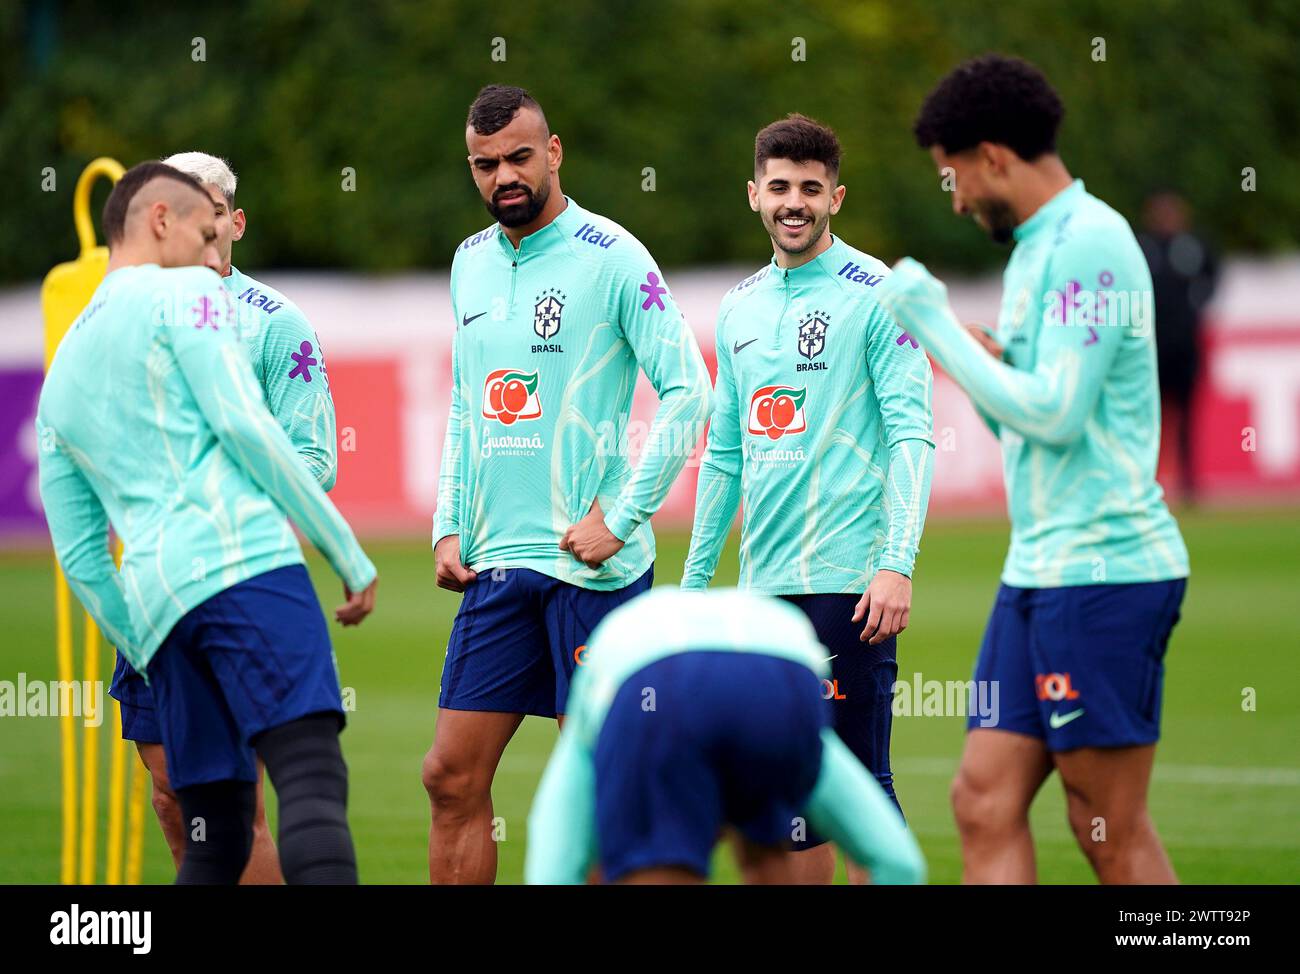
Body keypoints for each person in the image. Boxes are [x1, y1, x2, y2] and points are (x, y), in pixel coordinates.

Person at [880, 54, 1189, 883]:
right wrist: (988, 368)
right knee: (981, 799)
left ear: (992, 156)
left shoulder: (1090, 243)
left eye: (954, 177)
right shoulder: (1037, 249)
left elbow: (1054, 413)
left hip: (1106, 570)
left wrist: (935, 328)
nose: (956, 199)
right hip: (1038, 574)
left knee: (1105, 826)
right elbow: (1030, 419)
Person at [38, 161, 378, 884]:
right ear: (161, 220)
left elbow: (79, 554)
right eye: (201, 228)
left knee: (212, 833)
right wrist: (345, 553)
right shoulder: (192, 294)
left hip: (157, 605)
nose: (213, 246)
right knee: (311, 782)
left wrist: (145, 642)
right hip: (244, 567)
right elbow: (244, 424)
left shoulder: (60, 370)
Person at [425, 85, 712, 884]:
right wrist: (450, 523)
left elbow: (693, 392)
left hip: (595, 570)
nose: (503, 177)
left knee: (595, 788)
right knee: (449, 778)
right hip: (497, 565)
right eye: (485, 165)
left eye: (519, 157)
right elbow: (465, 401)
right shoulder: (469, 263)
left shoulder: (613, 255)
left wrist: (622, 518)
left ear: (553, 153)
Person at [681, 114, 935, 884]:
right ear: (754, 194)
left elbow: (912, 435)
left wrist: (896, 563)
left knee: (858, 786)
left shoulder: (880, 294)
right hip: (762, 594)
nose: (795, 202)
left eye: (811, 189)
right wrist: (694, 586)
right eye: (781, 187)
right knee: (780, 793)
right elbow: (724, 454)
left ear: (836, 197)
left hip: (848, 583)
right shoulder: (737, 307)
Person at [108, 151, 338, 884]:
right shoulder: (128, 319)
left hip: (241, 583)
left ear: (233, 220)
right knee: (175, 793)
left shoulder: (275, 324)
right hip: (151, 589)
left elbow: (316, 459)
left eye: (210, 211)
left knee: (239, 806)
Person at [525, 588, 926, 885]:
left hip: (655, 681)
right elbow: (897, 863)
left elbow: (556, 853)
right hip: (783, 676)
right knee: (766, 853)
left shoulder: (603, 679)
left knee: (663, 867)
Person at [1138, 191, 1219, 503]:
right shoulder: (1144, 248)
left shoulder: (1193, 247)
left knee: (1186, 416)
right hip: (1152, 347)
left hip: (1185, 347)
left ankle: (1189, 483)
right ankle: (1147, 482)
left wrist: (1196, 305)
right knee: (1150, 419)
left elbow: (1212, 278)